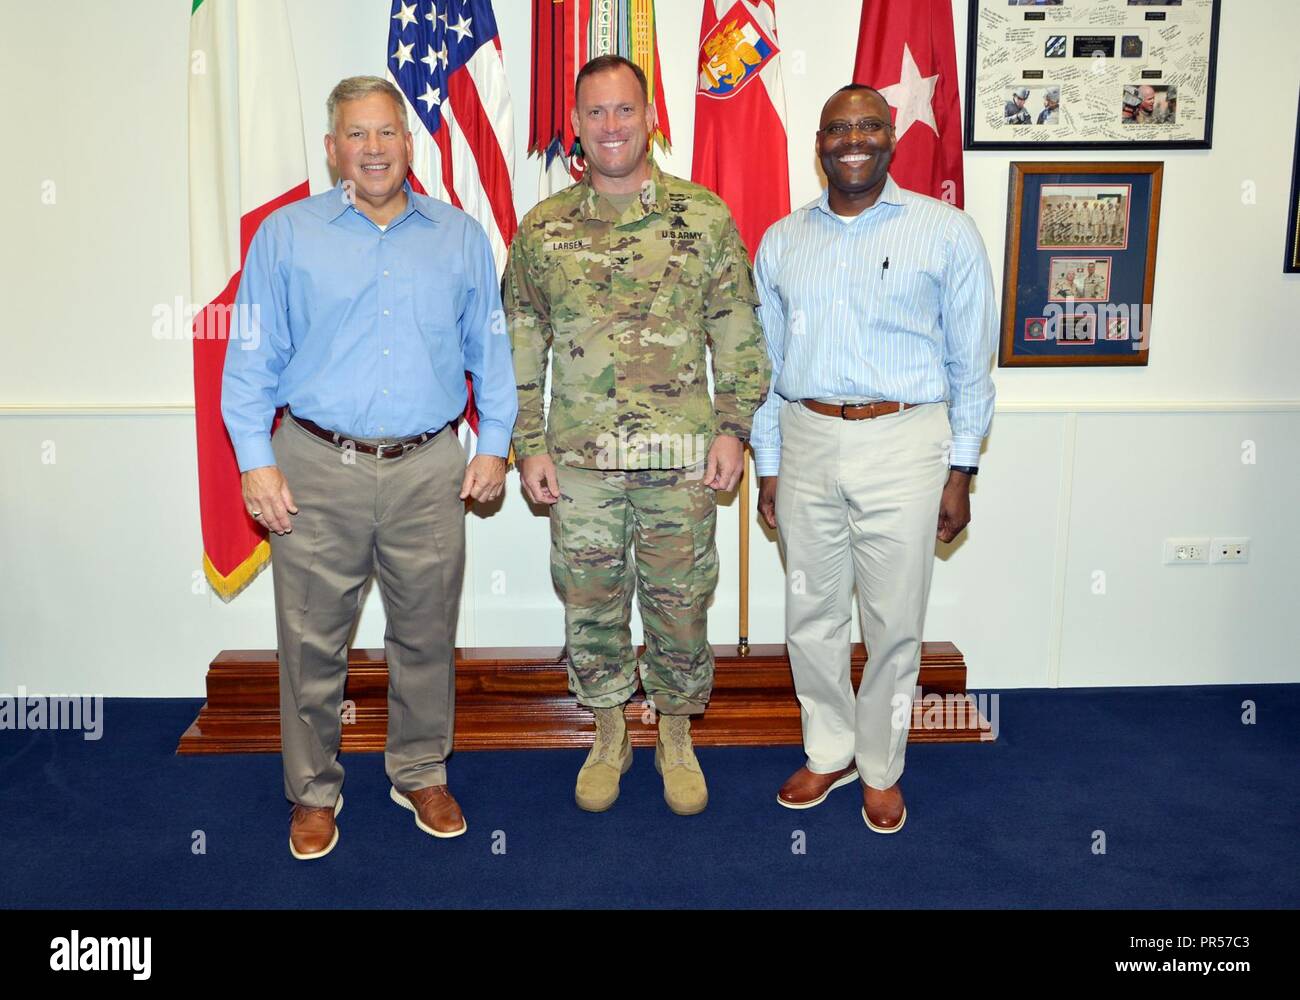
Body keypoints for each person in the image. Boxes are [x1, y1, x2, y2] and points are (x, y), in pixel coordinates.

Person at [222, 76, 517, 860]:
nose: (375, 148)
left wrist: (494, 444)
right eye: (357, 134)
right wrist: (256, 461)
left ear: (408, 144)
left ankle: (419, 769)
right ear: (331, 150)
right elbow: (249, 360)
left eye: (387, 132)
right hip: (315, 465)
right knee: (311, 641)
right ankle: (314, 791)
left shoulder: (458, 236)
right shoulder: (285, 237)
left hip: (429, 469)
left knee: (425, 632)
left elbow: (491, 353)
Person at [504, 55, 769, 817]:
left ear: (650, 118)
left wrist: (734, 430)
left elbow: (738, 330)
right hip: (581, 462)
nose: (611, 126)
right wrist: (529, 442)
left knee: (680, 603)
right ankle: (612, 729)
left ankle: (677, 731)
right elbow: (521, 340)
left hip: (679, 457)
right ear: (577, 126)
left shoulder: (704, 217)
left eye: (625, 110)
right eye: (596, 113)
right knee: (589, 599)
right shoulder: (544, 229)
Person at [752, 84, 996, 834]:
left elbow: (971, 365)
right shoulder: (781, 241)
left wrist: (962, 471)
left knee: (893, 622)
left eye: (867, 126)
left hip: (907, 442)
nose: (852, 139)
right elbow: (762, 365)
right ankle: (828, 750)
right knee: (810, 615)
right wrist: (769, 464)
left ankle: (881, 765)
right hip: (807, 437)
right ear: (818, 142)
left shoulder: (947, 232)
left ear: (891, 138)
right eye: (837, 128)